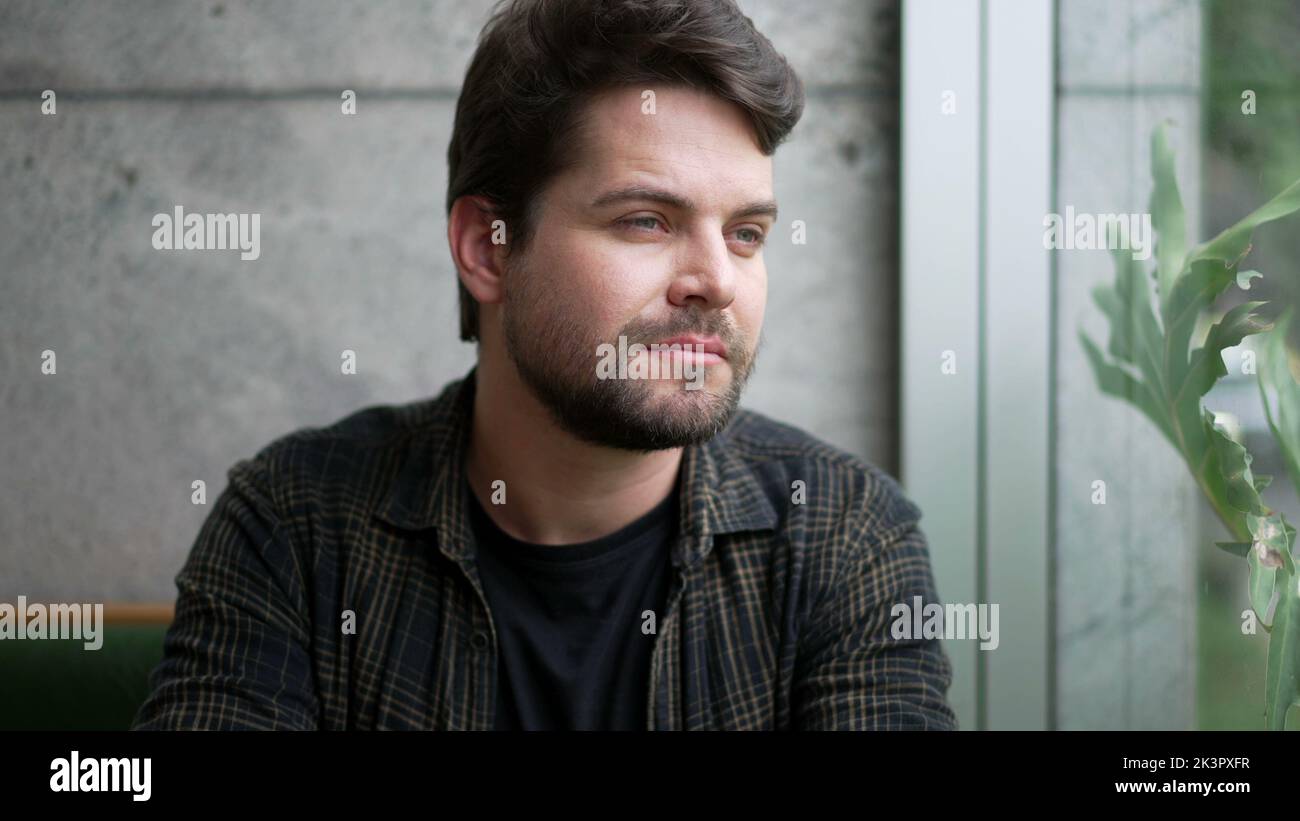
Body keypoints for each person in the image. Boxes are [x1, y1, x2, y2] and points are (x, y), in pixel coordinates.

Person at [133, 0, 958, 731]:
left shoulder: (845, 536)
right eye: (646, 220)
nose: (716, 280)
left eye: (746, 233)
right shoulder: (296, 525)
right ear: (486, 249)